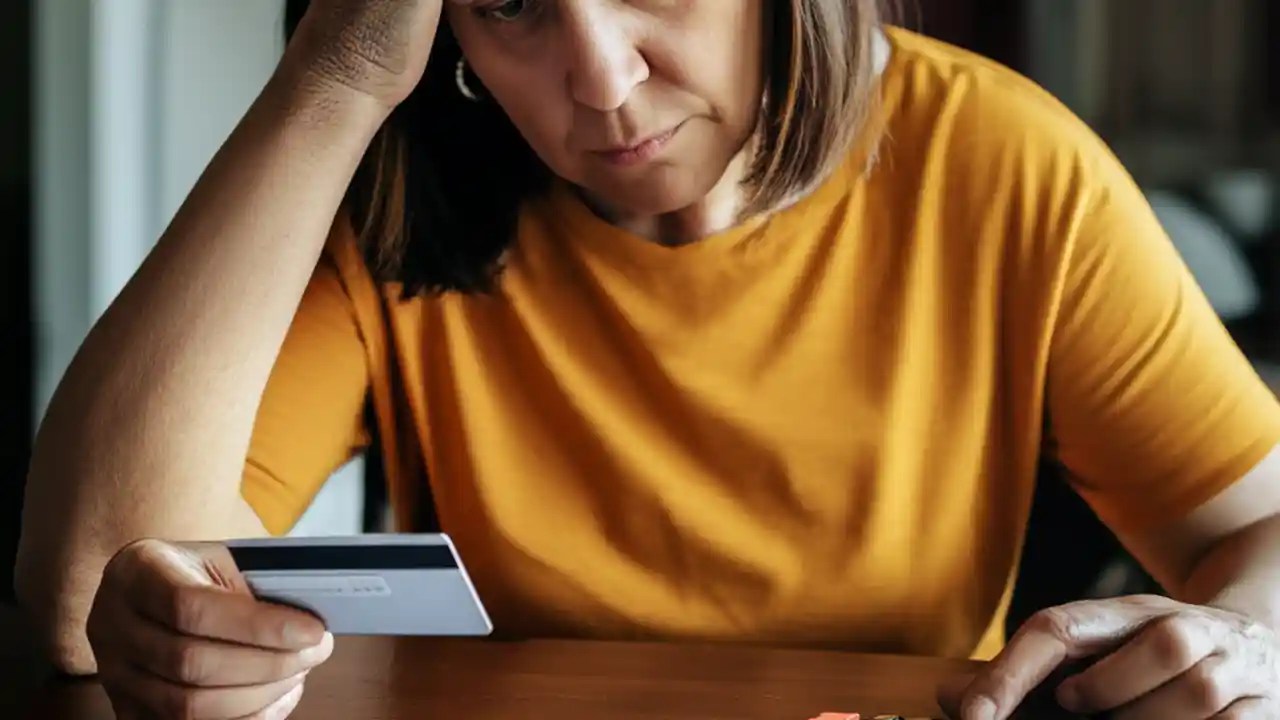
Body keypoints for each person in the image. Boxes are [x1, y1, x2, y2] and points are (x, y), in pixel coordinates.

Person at [15, 0, 1280, 718]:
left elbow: (1260, 527)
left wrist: (1240, 641)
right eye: (510, 0)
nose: (602, 79)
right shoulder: (404, 202)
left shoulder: (1005, 167)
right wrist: (338, 77)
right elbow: (83, 601)